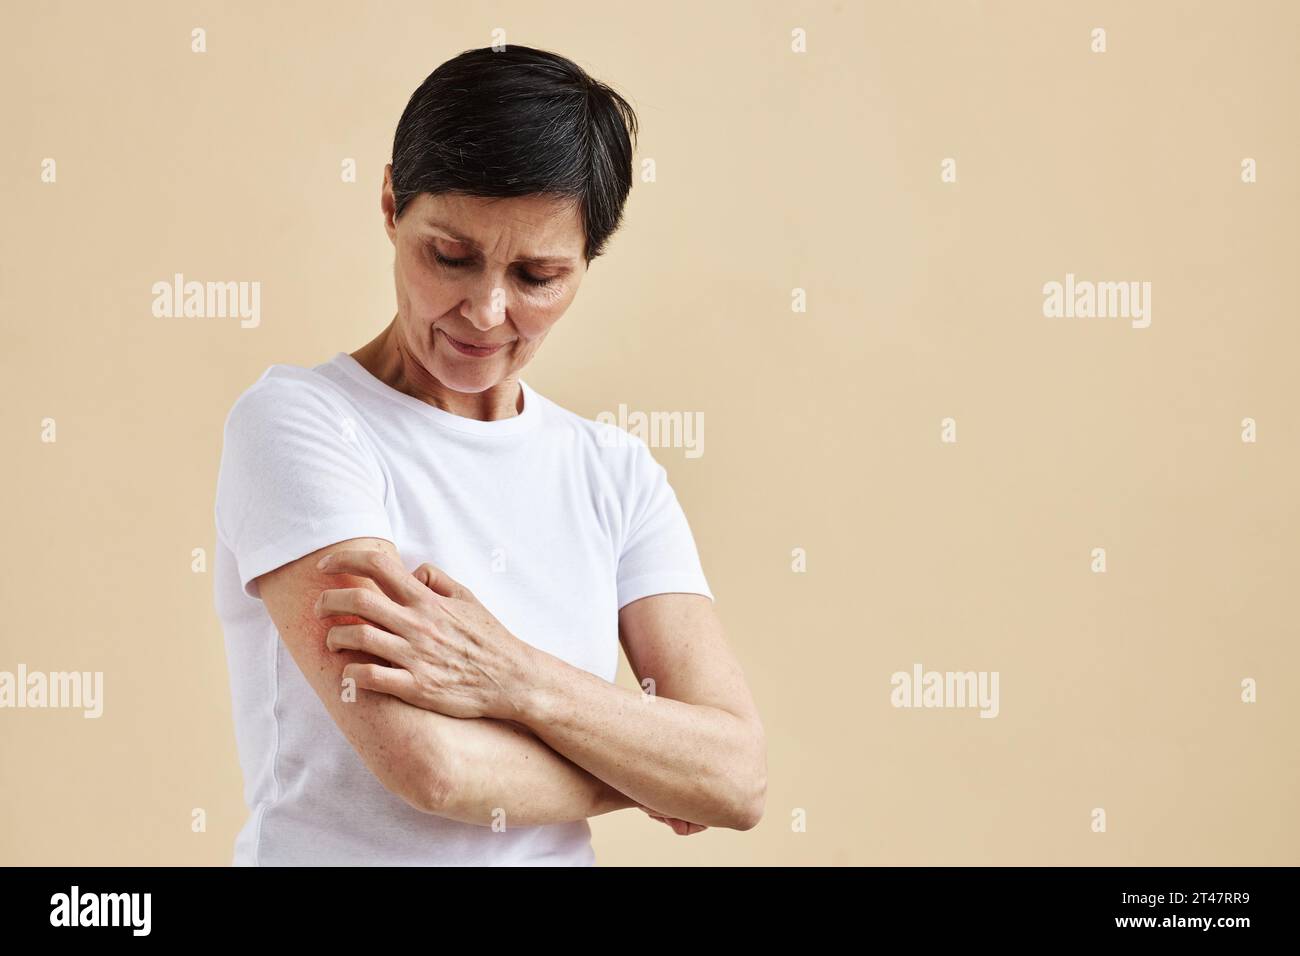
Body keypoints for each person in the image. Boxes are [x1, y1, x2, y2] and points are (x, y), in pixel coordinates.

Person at [213, 45, 765, 865]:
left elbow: (740, 777)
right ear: (392, 203)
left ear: (587, 264)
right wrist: (655, 769)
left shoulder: (613, 473)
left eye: (538, 275)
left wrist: (513, 677)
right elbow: (430, 768)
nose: (485, 310)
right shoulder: (301, 426)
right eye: (451, 256)